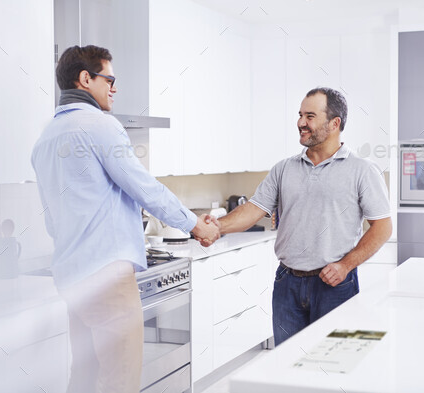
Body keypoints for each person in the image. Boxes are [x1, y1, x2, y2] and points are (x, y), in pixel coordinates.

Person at [31, 45, 219, 393]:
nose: (114, 88)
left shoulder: (44, 140)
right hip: (106, 278)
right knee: (121, 379)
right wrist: (194, 224)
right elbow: (143, 187)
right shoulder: (101, 125)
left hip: (72, 278)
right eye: (109, 79)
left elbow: (52, 223)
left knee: (84, 379)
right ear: (85, 79)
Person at [213, 87, 392, 345]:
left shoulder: (362, 170)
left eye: (310, 116)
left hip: (335, 285)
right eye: (300, 115)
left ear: (334, 123)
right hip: (287, 284)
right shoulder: (284, 168)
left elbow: (382, 227)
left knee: (332, 365)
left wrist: (345, 265)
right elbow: (253, 209)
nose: (300, 123)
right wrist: (216, 227)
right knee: (287, 368)